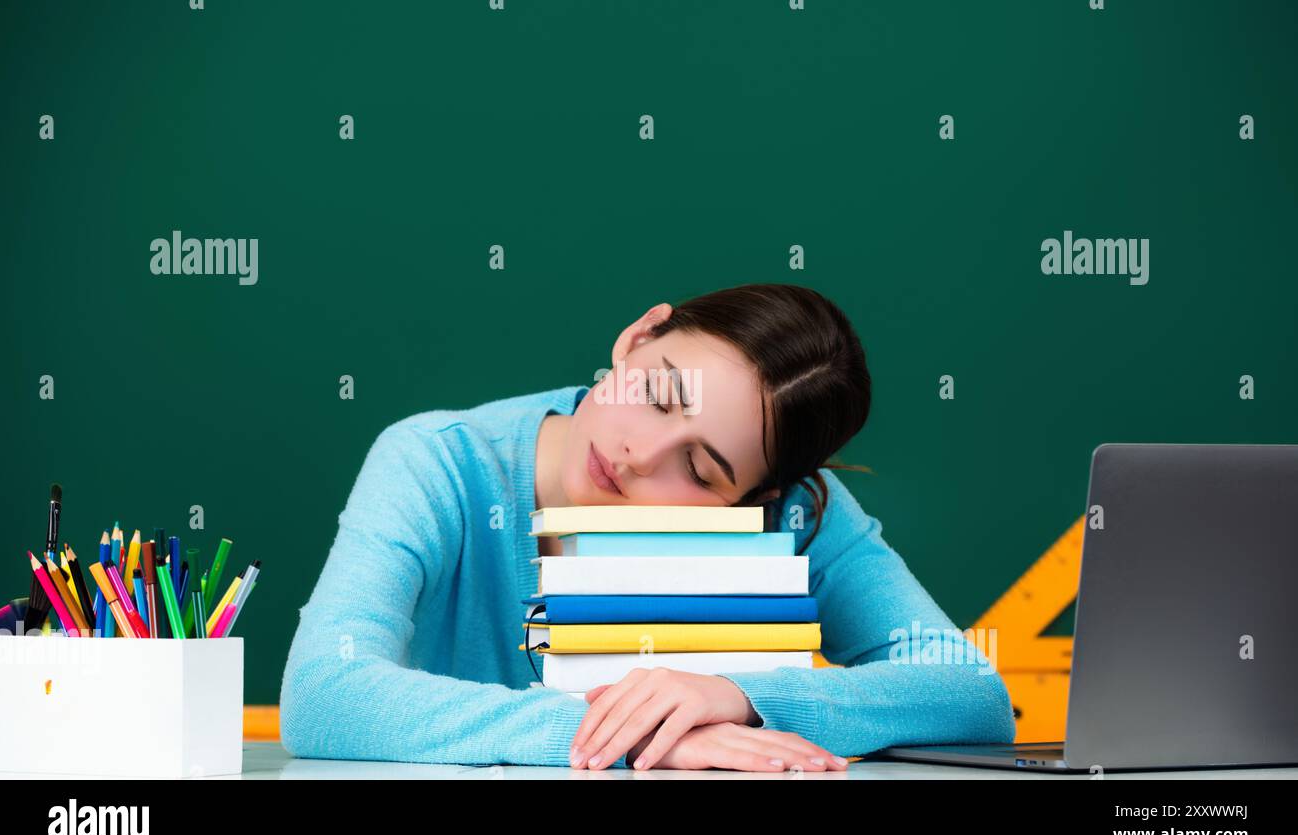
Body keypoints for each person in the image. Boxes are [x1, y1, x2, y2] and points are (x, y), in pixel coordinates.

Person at [279, 283, 1015, 771]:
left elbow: (967, 690)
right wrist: (632, 737)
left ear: (752, 497)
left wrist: (740, 692)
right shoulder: (436, 463)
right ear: (635, 338)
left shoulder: (795, 511)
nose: (636, 453)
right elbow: (323, 691)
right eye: (658, 394)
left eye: (698, 471)